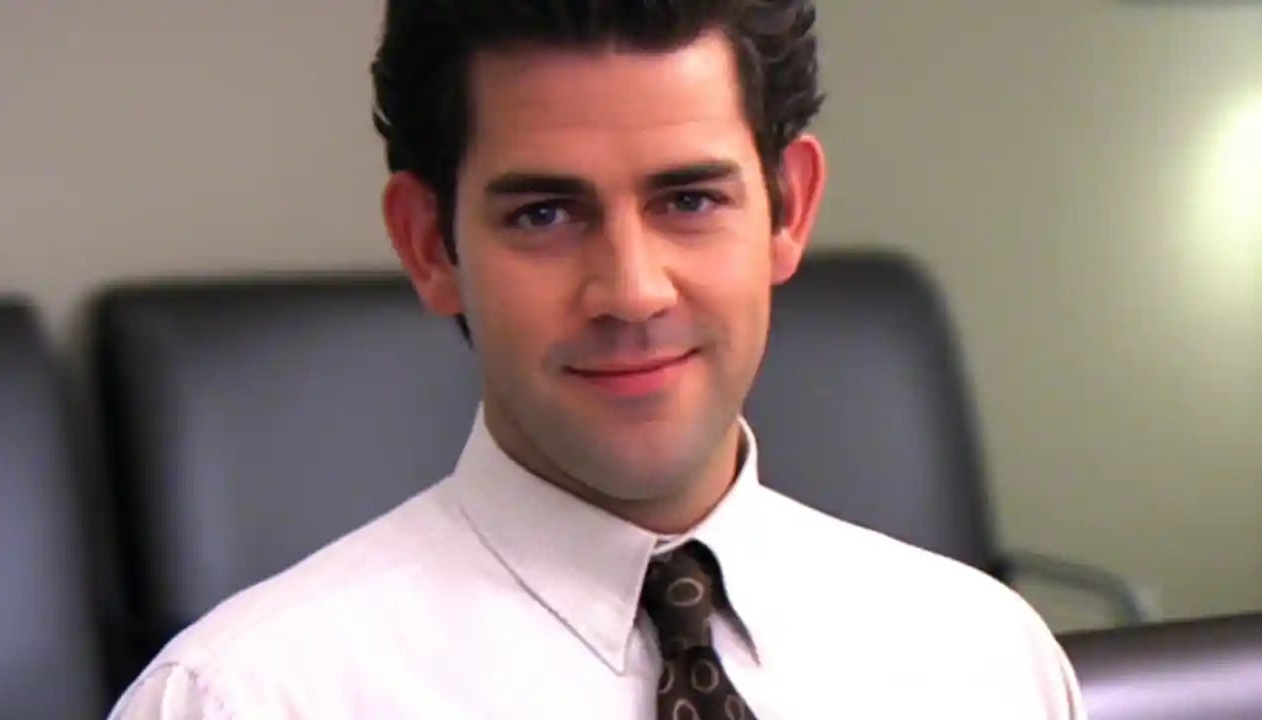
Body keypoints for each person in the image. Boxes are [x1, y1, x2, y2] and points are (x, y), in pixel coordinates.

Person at [109, 1, 1087, 717]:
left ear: (787, 211)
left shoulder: (986, 661)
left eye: (689, 200)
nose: (630, 290)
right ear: (429, 245)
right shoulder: (240, 701)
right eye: (543, 213)